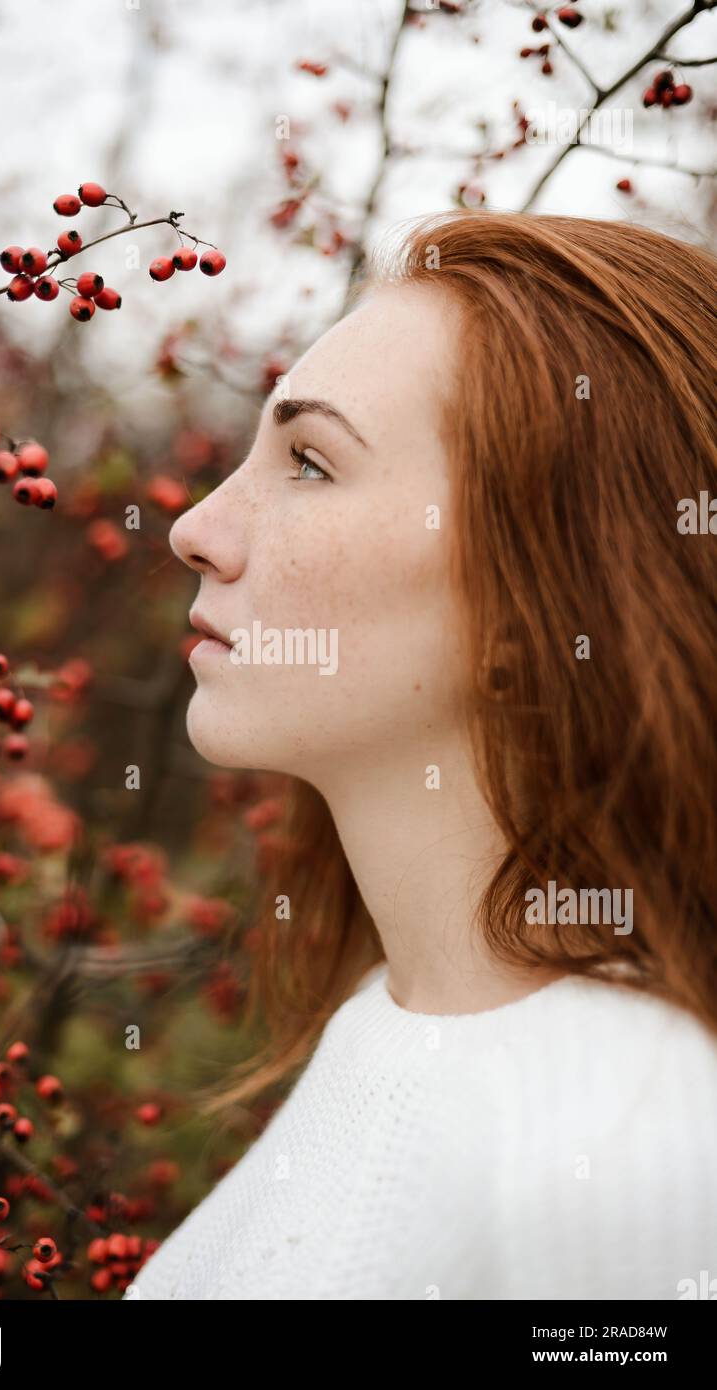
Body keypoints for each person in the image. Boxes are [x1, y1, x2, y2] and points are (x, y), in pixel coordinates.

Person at [123, 210, 717, 1300]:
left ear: (543, 591)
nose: (196, 528)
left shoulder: (630, 1140)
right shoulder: (390, 1024)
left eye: (309, 461)